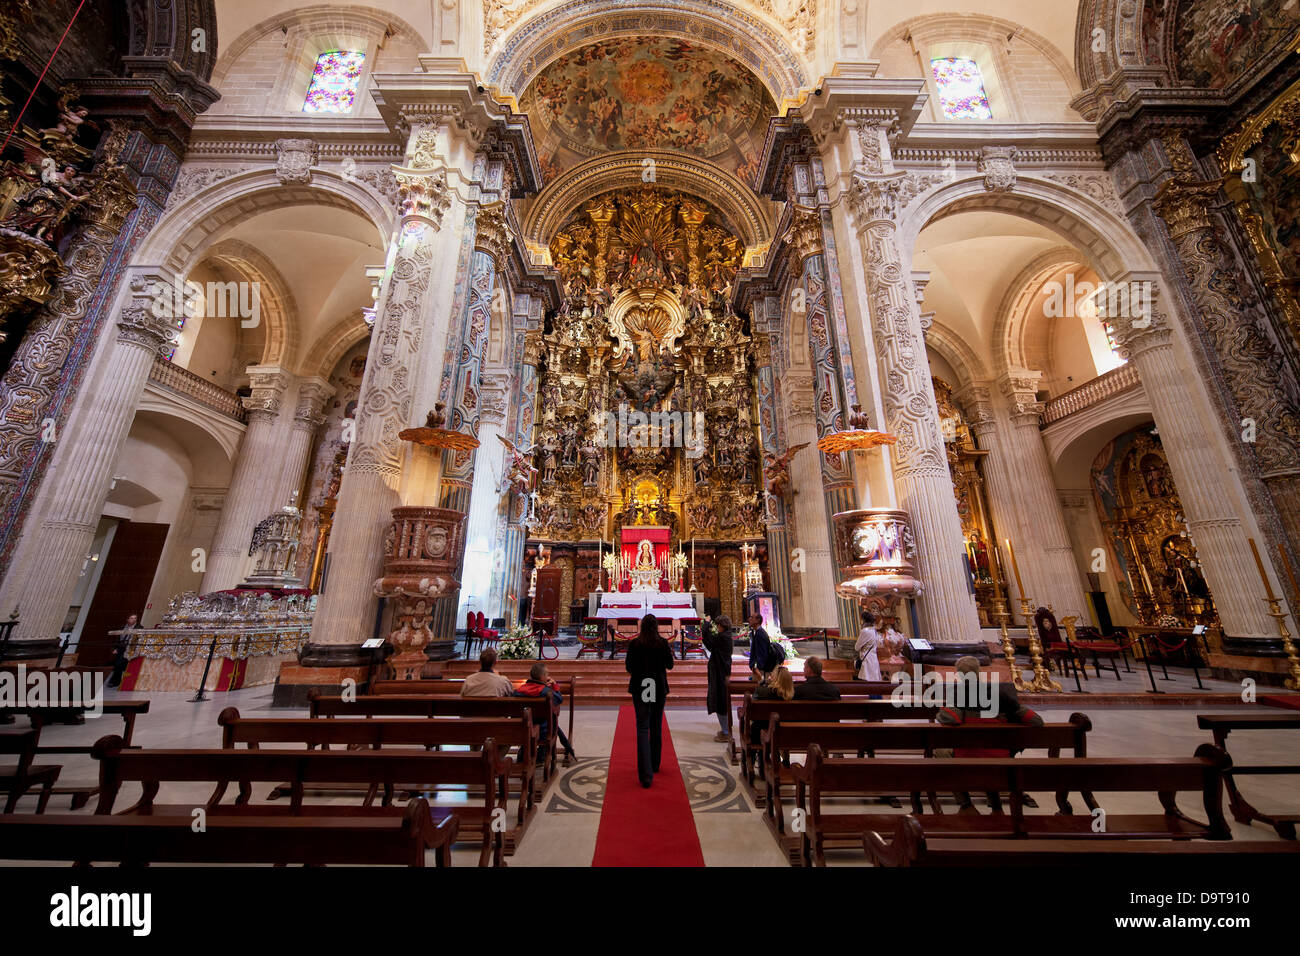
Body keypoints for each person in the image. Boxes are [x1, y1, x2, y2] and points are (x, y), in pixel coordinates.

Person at [936, 656, 1042, 813]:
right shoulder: (1001, 694)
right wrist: (1015, 745)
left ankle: (966, 804)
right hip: (1001, 757)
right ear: (979, 673)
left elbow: (951, 718)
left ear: (959, 675)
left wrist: (941, 713)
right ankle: (996, 805)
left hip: (968, 756)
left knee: (940, 753)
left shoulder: (958, 695)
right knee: (989, 754)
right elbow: (1036, 721)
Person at [625, 613, 675, 788]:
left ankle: (645, 774)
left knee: (642, 727)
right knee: (655, 725)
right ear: (656, 627)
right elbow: (670, 665)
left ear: (642, 627)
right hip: (657, 686)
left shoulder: (635, 644)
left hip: (641, 686)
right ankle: (654, 764)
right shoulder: (662, 643)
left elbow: (629, 667)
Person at [515, 661, 577, 764]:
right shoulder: (545, 692)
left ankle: (524, 752)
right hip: (544, 731)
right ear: (543, 676)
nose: (548, 676)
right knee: (550, 722)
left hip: (523, 728)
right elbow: (559, 699)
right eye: (547, 674)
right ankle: (541, 754)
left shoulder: (518, 691)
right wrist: (555, 686)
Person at [702, 615, 734, 742]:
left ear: (721, 626)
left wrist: (706, 623)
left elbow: (708, 640)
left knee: (720, 700)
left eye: (718, 625)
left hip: (720, 672)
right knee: (720, 699)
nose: (717, 628)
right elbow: (710, 643)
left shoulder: (723, 637)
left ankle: (726, 731)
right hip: (721, 671)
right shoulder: (725, 637)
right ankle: (725, 729)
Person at [107, 613, 140, 688]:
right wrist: (115, 648)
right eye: (131, 618)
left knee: (119, 664)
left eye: (135, 618)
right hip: (120, 647)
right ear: (127, 619)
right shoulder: (123, 627)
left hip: (129, 647)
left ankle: (114, 681)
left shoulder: (139, 627)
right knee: (117, 664)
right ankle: (115, 681)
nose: (133, 619)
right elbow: (118, 639)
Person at [855, 609, 883, 682]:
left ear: (864, 620)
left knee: (868, 683)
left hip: (867, 660)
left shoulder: (865, 631)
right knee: (874, 682)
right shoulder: (874, 630)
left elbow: (857, 647)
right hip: (873, 658)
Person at [748, 612, 775, 680]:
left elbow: (762, 654)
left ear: (757, 620)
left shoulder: (760, 634)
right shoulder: (758, 632)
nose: (749, 619)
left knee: (760, 688)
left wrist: (757, 669)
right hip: (761, 669)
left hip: (761, 671)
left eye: (752, 617)